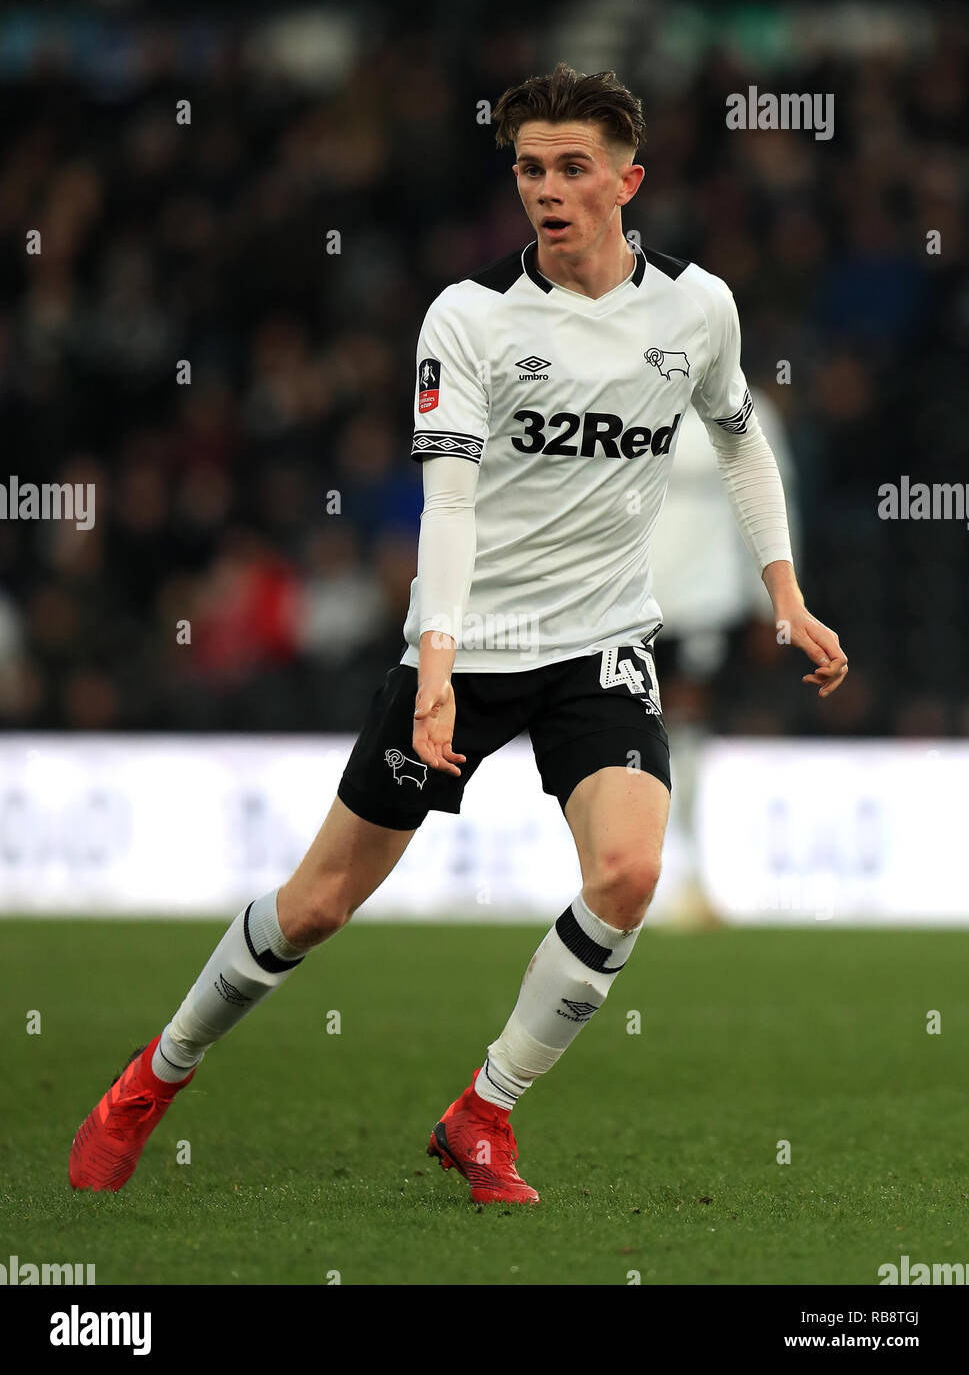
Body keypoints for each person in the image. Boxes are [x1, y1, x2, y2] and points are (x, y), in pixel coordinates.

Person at [69, 63, 847, 1206]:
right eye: (530, 167)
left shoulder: (698, 308)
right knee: (318, 906)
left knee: (629, 874)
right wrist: (435, 670)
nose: (549, 188)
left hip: (600, 643)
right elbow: (452, 503)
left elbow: (735, 435)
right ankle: (152, 1076)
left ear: (629, 179)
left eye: (574, 167)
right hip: (470, 646)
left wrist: (785, 590)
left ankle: (484, 1111)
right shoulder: (469, 317)